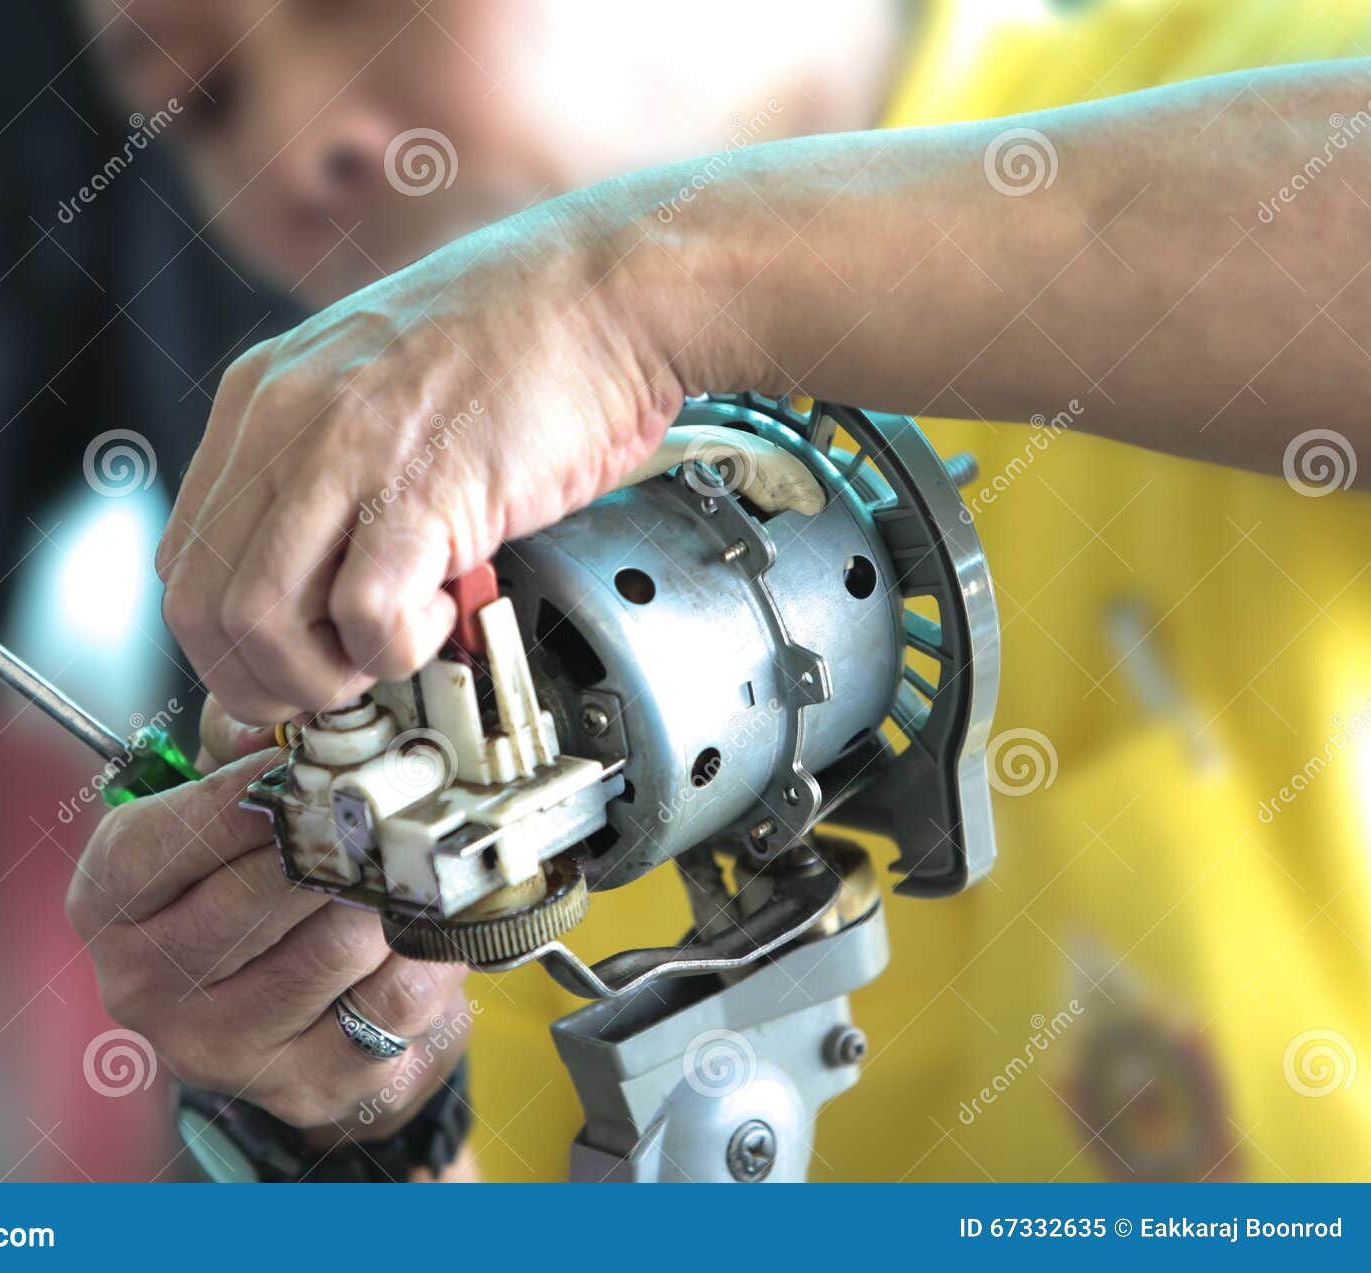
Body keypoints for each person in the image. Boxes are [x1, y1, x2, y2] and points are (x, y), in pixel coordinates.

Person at [68, 0, 1371, 1181]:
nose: (294, 149)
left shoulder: (1263, 87)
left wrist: (623, 286)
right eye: (197, 99)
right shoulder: (467, 659)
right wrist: (346, 1128)